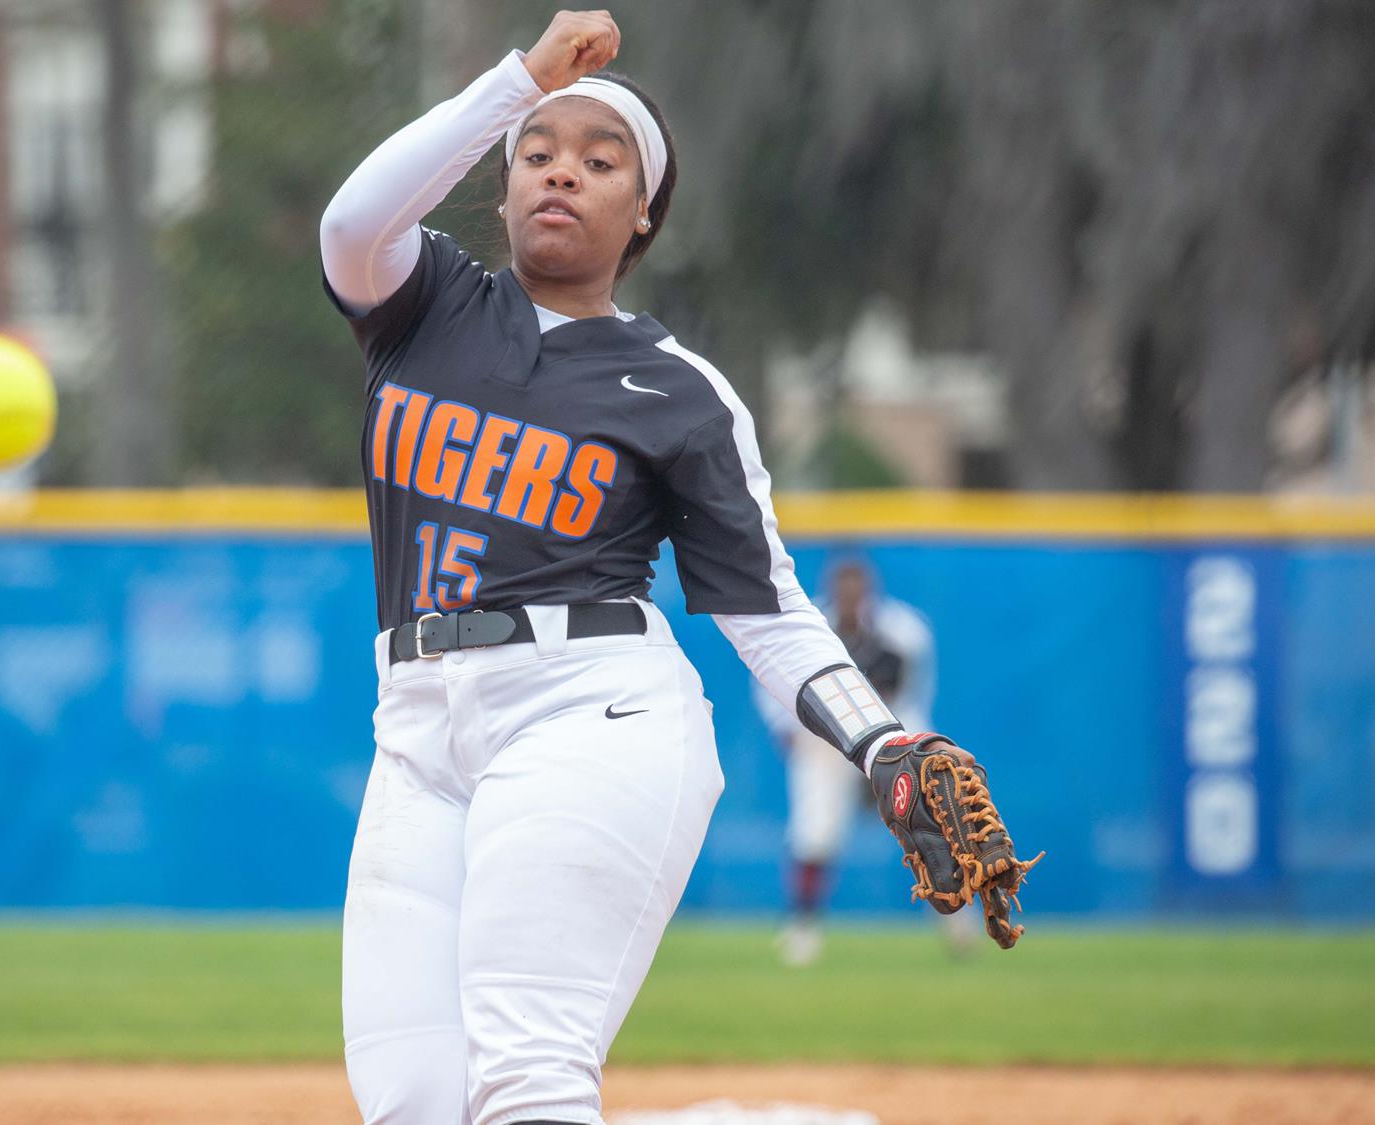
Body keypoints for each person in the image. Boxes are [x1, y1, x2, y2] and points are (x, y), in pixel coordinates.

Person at [320, 11, 993, 1123]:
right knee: (416, 1105)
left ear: (644, 212)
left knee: (528, 1077)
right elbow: (352, 219)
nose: (560, 171)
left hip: (586, 712)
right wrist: (520, 81)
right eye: (538, 153)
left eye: (600, 161)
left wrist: (880, 741)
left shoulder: (678, 390)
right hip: (417, 733)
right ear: (502, 187)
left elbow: (764, 610)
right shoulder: (423, 306)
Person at [755, 556, 973, 965]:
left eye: (857, 585)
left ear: (870, 588)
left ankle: (957, 921)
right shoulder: (811, 626)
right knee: (815, 831)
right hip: (824, 741)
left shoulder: (902, 630)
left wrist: (911, 746)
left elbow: (914, 696)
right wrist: (785, 729)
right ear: (832, 588)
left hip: (890, 736)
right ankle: (803, 931)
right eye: (843, 585)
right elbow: (771, 677)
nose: (850, 594)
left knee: (925, 828)